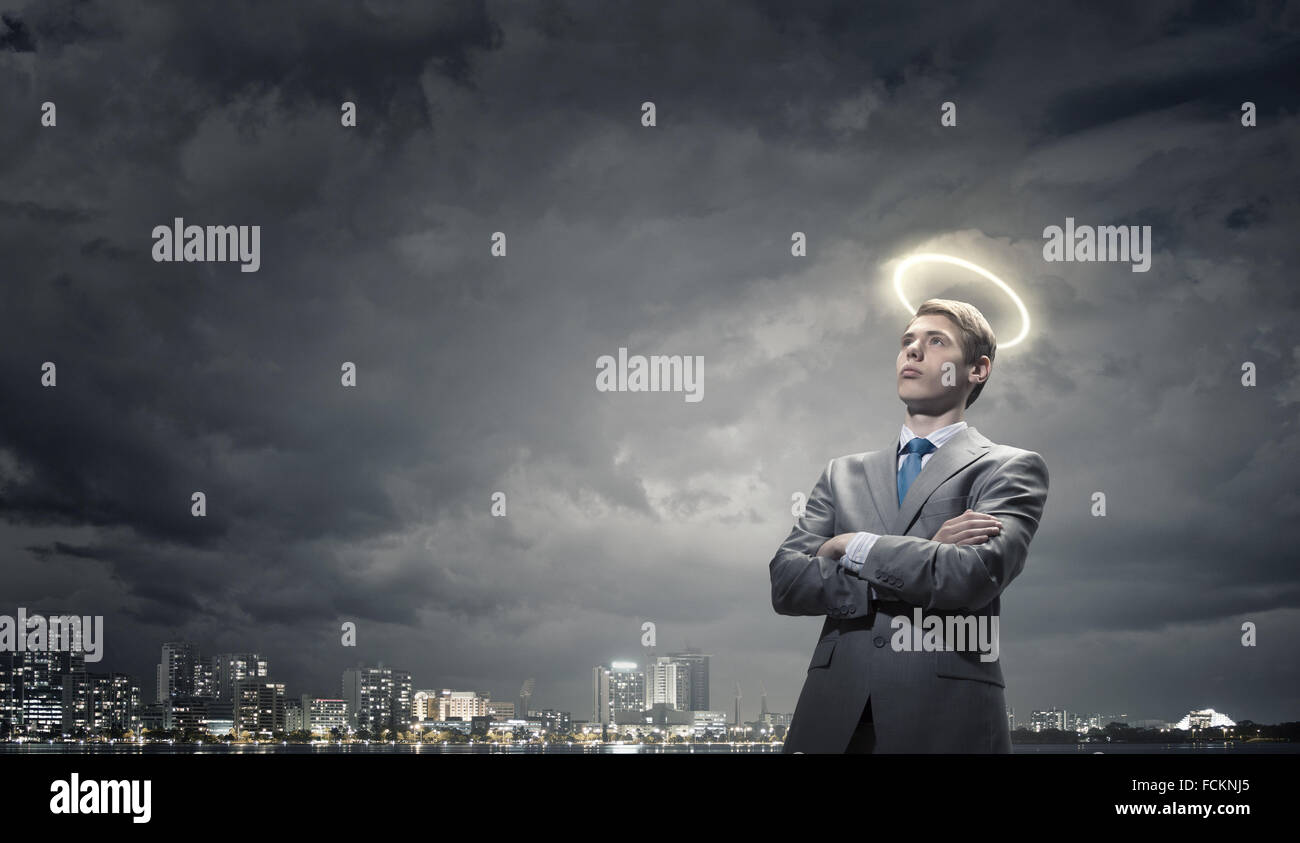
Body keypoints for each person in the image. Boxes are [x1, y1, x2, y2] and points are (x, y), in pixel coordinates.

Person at [770, 298, 1049, 753]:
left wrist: (847, 545)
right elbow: (785, 584)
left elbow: (970, 578)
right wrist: (926, 552)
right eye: (907, 342)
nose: (912, 352)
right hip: (831, 718)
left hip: (947, 717)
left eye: (935, 341)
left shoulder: (1008, 468)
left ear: (977, 370)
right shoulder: (843, 473)